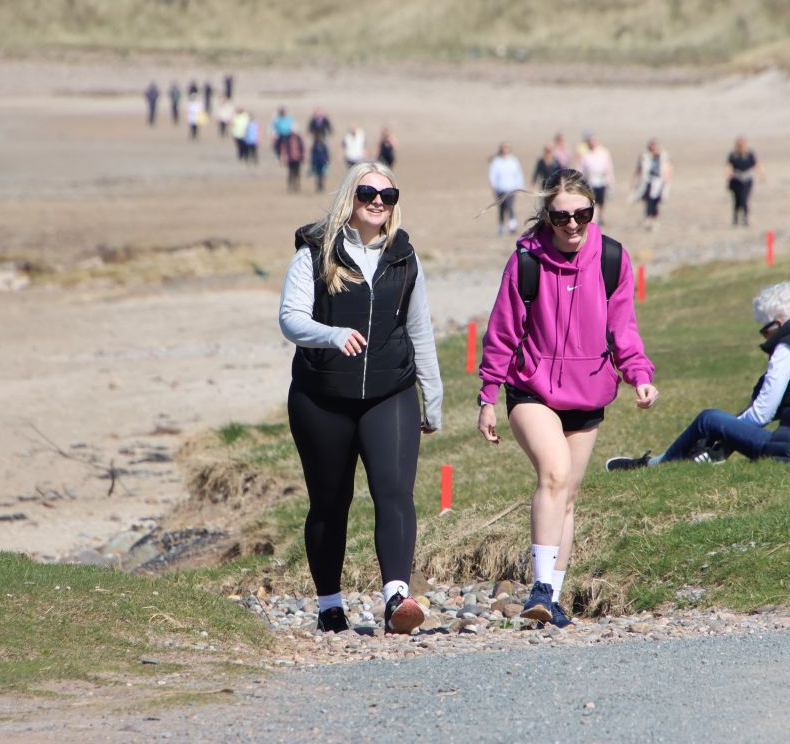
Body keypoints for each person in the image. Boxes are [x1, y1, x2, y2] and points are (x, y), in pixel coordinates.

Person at [477, 168, 658, 628]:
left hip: (588, 391)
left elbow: (624, 327)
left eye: (582, 214)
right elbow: (502, 332)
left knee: (569, 496)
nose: (573, 224)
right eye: (561, 217)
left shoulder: (612, 258)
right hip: (532, 388)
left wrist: (638, 374)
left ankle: (550, 600)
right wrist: (488, 396)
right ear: (547, 216)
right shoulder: (526, 261)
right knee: (554, 475)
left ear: (593, 210)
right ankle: (539, 585)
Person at [280, 162, 443, 635]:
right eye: (368, 192)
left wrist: (431, 397)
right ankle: (330, 604)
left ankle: (396, 598)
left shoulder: (404, 258)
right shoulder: (313, 253)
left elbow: (420, 331)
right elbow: (290, 318)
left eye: (388, 196)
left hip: (389, 393)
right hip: (321, 397)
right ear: (349, 197)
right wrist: (330, 335)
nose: (377, 201)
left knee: (394, 492)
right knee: (331, 503)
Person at [606, 281, 790, 471]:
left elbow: (761, 414)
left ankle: (655, 465)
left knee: (710, 419)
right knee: (725, 425)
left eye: (764, 331)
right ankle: (705, 456)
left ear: (777, 323)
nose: (766, 338)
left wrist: (725, 434)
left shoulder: (789, 348)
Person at [572, 132, 615, 226]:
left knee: (602, 201)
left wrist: (611, 182)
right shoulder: (585, 155)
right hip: (591, 181)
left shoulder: (603, 152)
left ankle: (600, 215)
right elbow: (580, 168)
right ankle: (594, 217)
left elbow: (609, 167)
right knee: (592, 201)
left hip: (602, 181)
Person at [630, 138, 672, 231]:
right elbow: (639, 168)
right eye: (651, 145)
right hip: (648, 181)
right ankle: (648, 219)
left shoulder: (663, 156)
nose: (653, 147)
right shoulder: (645, 156)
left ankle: (655, 220)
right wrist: (634, 180)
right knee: (649, 201)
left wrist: (667, 179)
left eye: (654, 145)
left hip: (659, 181)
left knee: (656, 201)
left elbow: (668, 167)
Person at [487, 142, 525, 235]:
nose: (505, 150)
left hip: (511, 189)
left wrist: (520, 187)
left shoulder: (513, 160)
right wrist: (493, 186)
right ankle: (501, 227)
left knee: (510, 207)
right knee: (501, 208)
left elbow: (518, 174)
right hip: (500, 189)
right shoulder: (496, 161)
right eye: (503, 148)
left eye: (507, 148)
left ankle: (512, 226)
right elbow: (492, 175)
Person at [727, 136, 762, 227]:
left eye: (742, 144)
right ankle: (735, 220)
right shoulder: (733, 155)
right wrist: (729, 174)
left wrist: (761, 175)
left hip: (747, 179)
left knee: (745, 199)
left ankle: (745, 219)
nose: (740, 146)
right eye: (739, 144)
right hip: (736, 179)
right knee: (737, 200)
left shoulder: (750, 154)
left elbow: (756, 165)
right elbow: (729, 166)